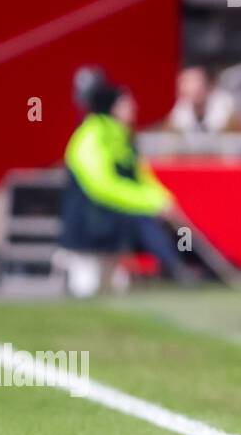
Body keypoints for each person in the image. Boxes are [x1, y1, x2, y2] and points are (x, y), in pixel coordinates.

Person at [59, 81, 190, 289]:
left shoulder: (124, 138)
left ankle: (181, 267)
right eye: (127, 103)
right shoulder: (90, 136)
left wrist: (163, 199)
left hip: (113, 232)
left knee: (114, 294)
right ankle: (176, 269)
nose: (135, 107)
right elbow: (101, 186)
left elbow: (141, 177)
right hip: (89, 232)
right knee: (88, 291)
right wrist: (149, 202)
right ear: (113, 107)